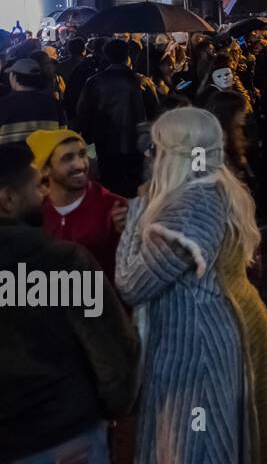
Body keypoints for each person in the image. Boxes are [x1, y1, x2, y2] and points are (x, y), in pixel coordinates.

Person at [115, 108, 267, 464]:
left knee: (200, 445)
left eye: (156, 148)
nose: (148, 155)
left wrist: (138, 212)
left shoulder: (186, 209)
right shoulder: (216, 187)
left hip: (197, 347)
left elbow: (131, 283)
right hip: (225, 326)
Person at [0, 142, 139, 464]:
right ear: (8, 199)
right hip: (67, 435)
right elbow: (113, 354)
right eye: (37, 187)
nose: (44, 195)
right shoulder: (63, 261)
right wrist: (113, 408)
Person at [29, 128, 128, 282]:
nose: (80, 164)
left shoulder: (115, 207)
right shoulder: (35, 212)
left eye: (82, 155)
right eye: (67, 158)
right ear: (46, 169)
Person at [75, 39, 157, 198]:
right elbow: (155, 110)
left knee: (110, 187)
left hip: (105, 143)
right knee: (135, 187)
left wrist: (87, 136)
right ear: (128, 56)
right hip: (137, 142)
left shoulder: (94, 82)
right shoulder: (141, 81)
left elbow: (83, 112)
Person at [0, 57, 64, 144]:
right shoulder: (54, 103)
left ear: (14, 77)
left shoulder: (3, 106)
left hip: (12, 157)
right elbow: (63, 135)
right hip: (47, 156)